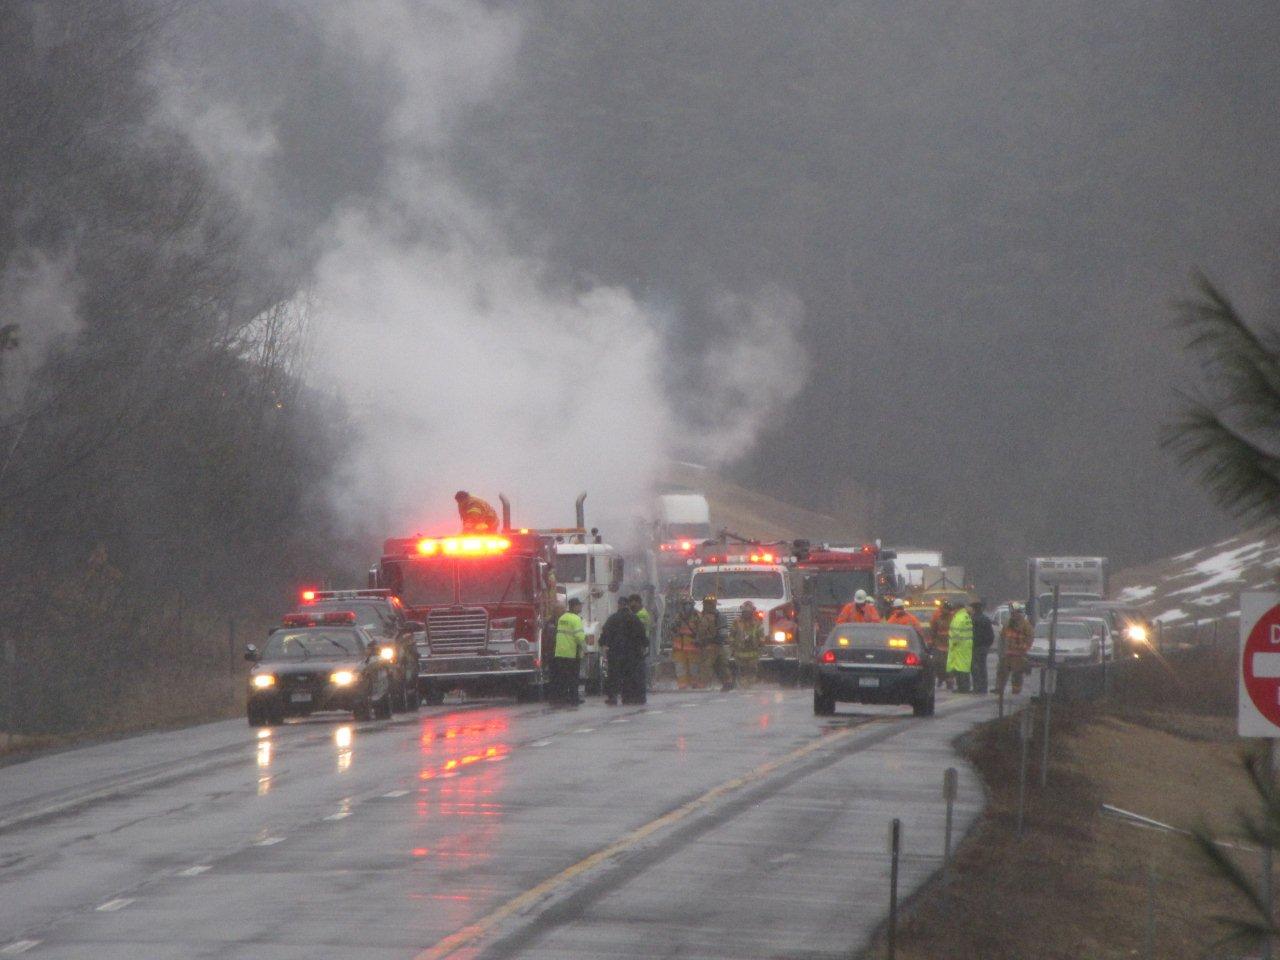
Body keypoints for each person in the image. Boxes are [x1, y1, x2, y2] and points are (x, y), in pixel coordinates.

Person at [600, 599, 649, 705]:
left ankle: (612, 697)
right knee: (630, 675)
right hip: (631, 653)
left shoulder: (612, 618)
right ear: (627, 606)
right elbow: (641, 633)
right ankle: (628, 697)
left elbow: (605, 633)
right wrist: (644, 645)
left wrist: (603, 643)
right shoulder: (634, 618)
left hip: (615, 652)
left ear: (619, 605)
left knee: (613, 675)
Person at [696, 595, 733, 691]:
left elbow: (723, 633)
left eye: (710, 604)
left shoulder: (720, 617)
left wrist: (713, 640)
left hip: (713, 645)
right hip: (707, 645)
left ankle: (702, 685)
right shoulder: (700, 616)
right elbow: (698, 631)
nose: (708, 606)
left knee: (707, 666)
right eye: (706, 604)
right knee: (720, 665)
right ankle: (727, 682)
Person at [552, 597, 586, 705]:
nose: (580, 607)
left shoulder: (562, 618)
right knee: (573, 678)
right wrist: (585, 647)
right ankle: (574, 698)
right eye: (579, 605)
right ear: (574, 606)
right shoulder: (576, 619)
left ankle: (561, 698)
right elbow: (579, 637)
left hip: (560, 652)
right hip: (572, 653)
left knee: (562, 678)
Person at [998, 602, 1034, 695]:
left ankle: (1016, 691)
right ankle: (999, 689)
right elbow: (1002, 636)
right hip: (1007, 654)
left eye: (1015, 613)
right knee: (1002, 672)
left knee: (1017, 674)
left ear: (1019, 613)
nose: (1013, 615)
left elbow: (1030, 639)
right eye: (1012, 613)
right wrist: (1002, 651)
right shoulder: (1007, 623)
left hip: (1019, 654)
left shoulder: (1025, 625)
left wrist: (1024, 650)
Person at [729, 600, 765, 688]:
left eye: (749, 612)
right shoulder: (737, 622)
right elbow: (731, 635)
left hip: (753, 652)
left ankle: (752, 683)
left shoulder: (757, 622)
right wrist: (732, 645)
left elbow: (761, 635)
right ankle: (743, 684)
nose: (747, 614)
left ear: (752, 612)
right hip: (740, 652)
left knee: (752, 670)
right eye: (745, 612)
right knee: (742, 671)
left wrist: (761, 643)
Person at [670, 596, 702, 689]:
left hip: (693, 648)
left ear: (693, 605)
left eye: (689, 604)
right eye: (685, 604)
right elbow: (672, 630)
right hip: (679, 648)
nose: (687, 606)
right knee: (680, 669)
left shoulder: (698, 616)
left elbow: (703, 631)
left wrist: (699, 640)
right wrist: (674, 626)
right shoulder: (678, 616)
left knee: (694, 668)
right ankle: (682, 685)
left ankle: (694, 684)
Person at [948, 601, 974, 693]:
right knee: (965, 667)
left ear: (957, 608)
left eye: (954, 609)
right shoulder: (966, 616)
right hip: (966, 645)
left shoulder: (958, 618)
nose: (953, 611)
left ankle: (962, 688)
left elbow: (955, 633)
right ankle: (965, 687)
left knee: (960, 667)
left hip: (959, 646)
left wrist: (953, 644)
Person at [970, 600, 995, 694]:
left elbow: (972, 634)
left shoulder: (973, 620)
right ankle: (983, 687)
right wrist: (987, 645)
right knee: (982, 667)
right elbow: (991, 635)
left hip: (976, 646)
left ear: (974, 609)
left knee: (975, 668)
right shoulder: (986, 619)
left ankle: (977, 687)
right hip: (984, 647)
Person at [930, 601, 954, 689]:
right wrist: (932, 641)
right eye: (944, 609)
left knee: (948, 665)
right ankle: (941, 677)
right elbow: (933, 629)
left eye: (947, 609)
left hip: (950, 645)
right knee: (937, 663)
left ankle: (949, 680)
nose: (945, 611)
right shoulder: (938, 618)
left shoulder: (953, 618)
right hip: (939, 645)